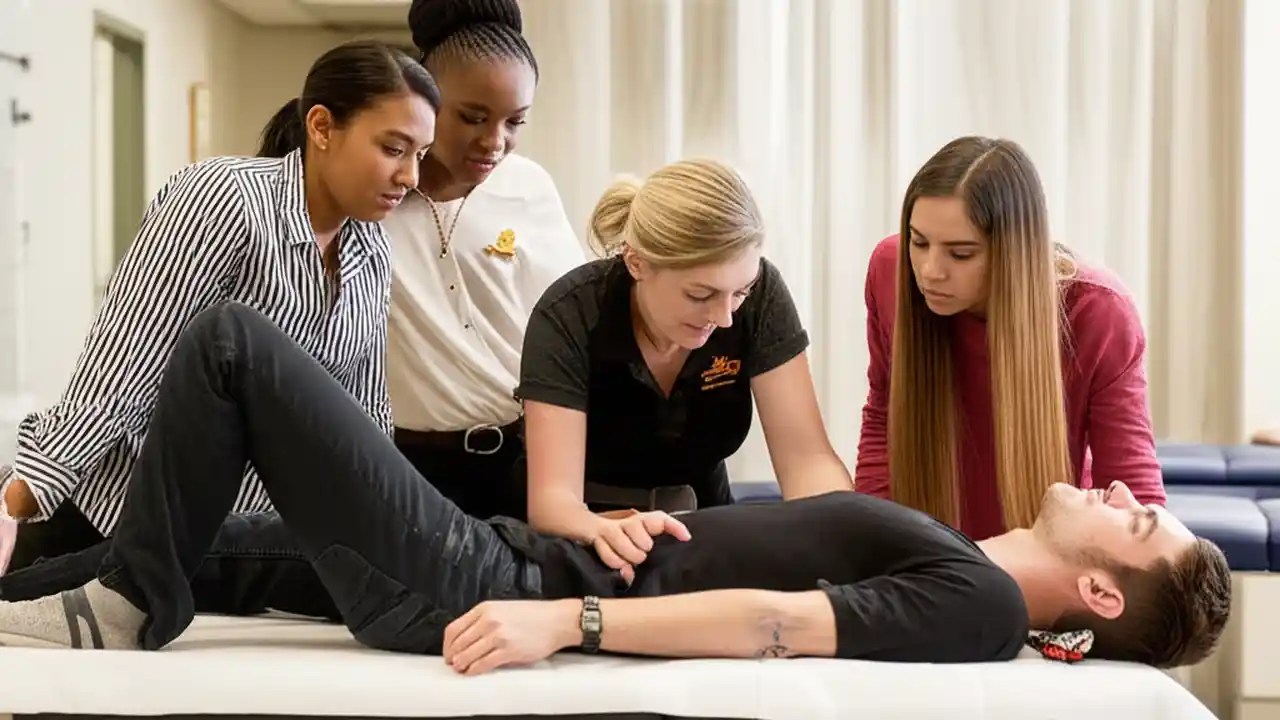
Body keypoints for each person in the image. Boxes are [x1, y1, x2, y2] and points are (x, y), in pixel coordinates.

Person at [0, 302, 1231, 675]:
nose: (1121, 494)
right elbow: (763, 568)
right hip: (505, 558)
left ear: (1097, 594)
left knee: (229, 348)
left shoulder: (979, 606)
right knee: (207, 543)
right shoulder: (969, 579)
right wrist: (673, 526)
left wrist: (564, 618)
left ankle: (134, 607)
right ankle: (105, 587)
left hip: (494, 583)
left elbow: (771, 624)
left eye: (1136, 521)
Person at [0, 40, 439, 576]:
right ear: (321, 128)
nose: (411, 177)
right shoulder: (224, 199)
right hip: (109, 523)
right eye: (394, 149)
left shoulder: (370, 250)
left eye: (420, 154)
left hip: (227, 550)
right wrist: (14, 505)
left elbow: (363, 419)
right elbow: (119, 373)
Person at [516, 158, 853, 581]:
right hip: (589, 539)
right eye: (700, 294)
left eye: (740, 292)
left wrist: (843, 534)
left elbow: (807, 461)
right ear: (636, 263)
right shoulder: (570, 313)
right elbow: (553, 503)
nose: (725, 317)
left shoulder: (761, 296)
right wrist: (606, 532)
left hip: (706, 526)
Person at [856, 136, 1167, 541]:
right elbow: (883, 420)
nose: (930, 270)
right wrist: (870, 543)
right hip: (925, 560)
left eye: (961, 253)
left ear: (1013, 253)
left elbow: (1131, 484)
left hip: (1055, 563)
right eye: (919, 242)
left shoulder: (1099, 312)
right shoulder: (889, 271)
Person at [384, 0, 585, 521]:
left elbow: (572, 328)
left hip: (523, 461)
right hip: (404, 466)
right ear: (425, 98)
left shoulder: (530, 187)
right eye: (472, 117)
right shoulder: (374, 196)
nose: (494, 142)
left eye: (515, 121)